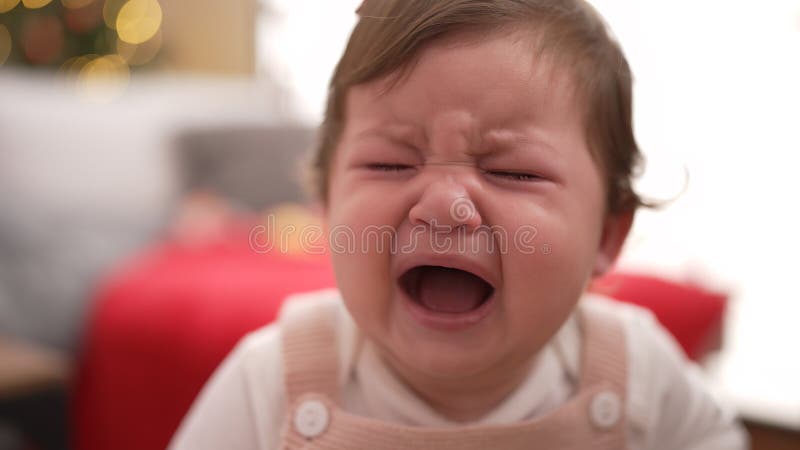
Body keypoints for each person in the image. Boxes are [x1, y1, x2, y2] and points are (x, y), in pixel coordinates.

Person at [169, 1, 748, 448]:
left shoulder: (635, 372)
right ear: (327, 205)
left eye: (513, 172)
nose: (445, 205)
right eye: (389, 163)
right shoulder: (272, 383)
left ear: (606, 235)